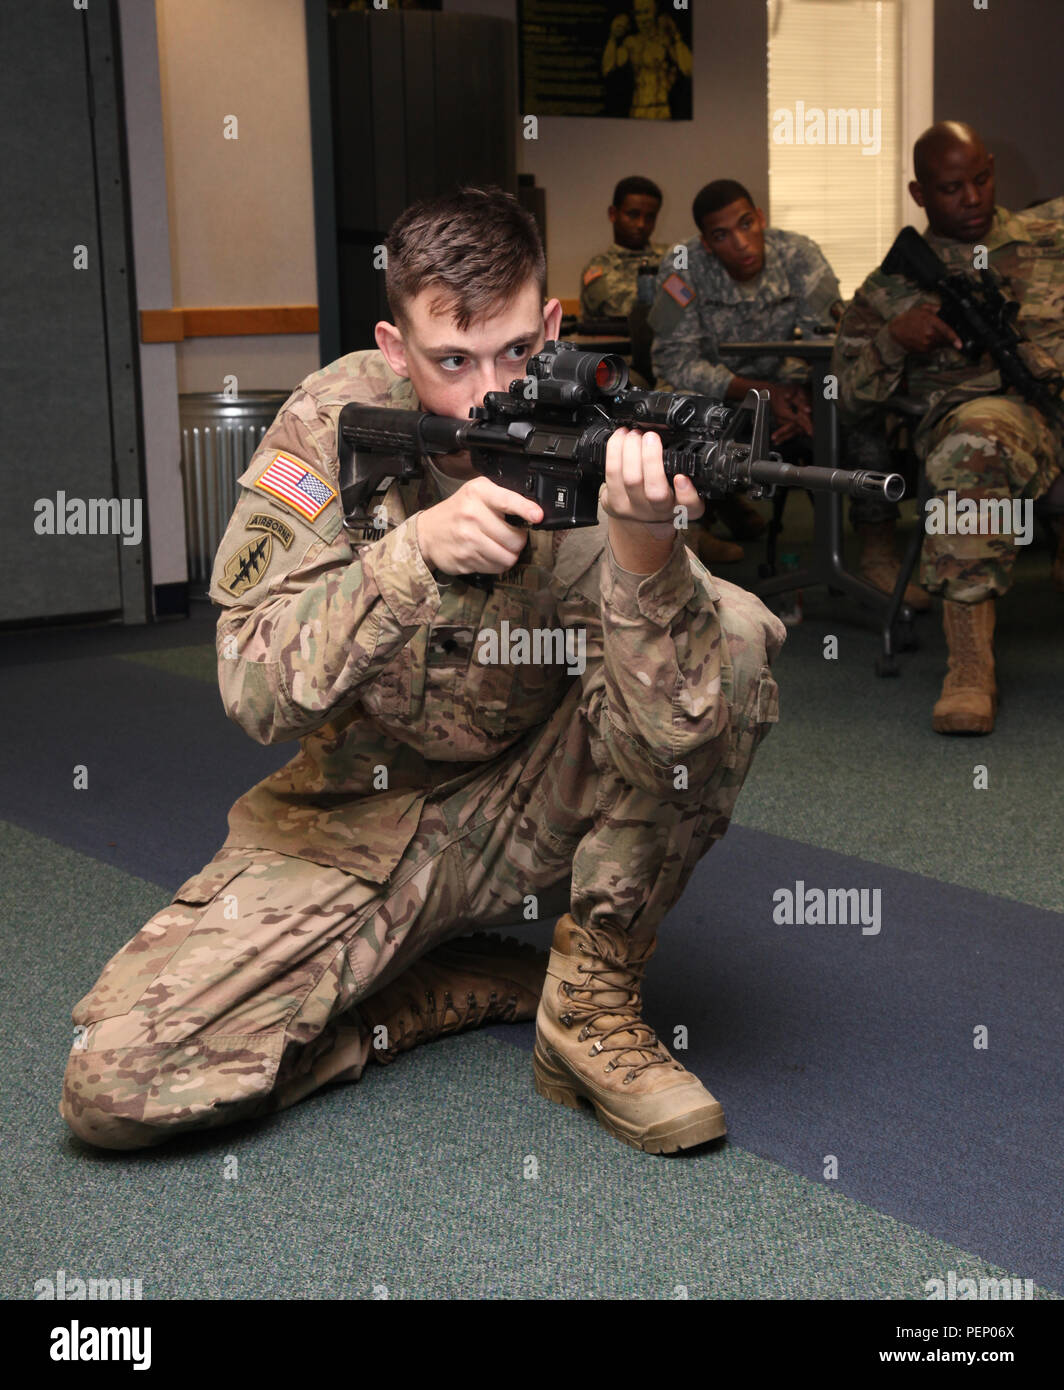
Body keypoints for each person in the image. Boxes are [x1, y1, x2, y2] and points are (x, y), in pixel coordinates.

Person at [60, 188, 786, 1156]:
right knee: (118, 1087)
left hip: (525, 803)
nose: (488, 390)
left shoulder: (599, 442)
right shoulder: (331, 420)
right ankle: (418, 996)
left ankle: (589, 1003)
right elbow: (252, 686)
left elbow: (685, 736)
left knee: (728, 634)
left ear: (553, 323)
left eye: (517, 351)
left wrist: (645, 555)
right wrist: (410, 554)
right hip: (348, 817)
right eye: (451, 360)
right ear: (395, 348)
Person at [833, 122, 1064, 734]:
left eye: (983, 179)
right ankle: (968, 669)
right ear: (919, 193)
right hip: (986, 424)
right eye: (952, 187)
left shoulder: (1051, 236)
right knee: (974, 445)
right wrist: (892, 339)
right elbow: (846, 401)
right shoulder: (891, 287)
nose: (973, 198)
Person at [649, 179, 859, 582]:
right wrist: (764, 394)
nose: (742, 243)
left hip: (786, 389)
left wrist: (799, 397)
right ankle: (688, 538)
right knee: (673, 414)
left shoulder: (799, 255)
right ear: (707, 243)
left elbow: (829, 342)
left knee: (848, 410)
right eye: (722, 235)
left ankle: (862, 551)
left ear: (761, 218)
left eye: (747, 224)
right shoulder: (682, 267)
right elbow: (674, 361)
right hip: (715, 393)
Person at [579, 175, 667, 321]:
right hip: (621, 342)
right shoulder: (598, 268)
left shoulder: (671, 257)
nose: (641, 224)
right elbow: (621, 311)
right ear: (613, 214)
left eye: (650, 217)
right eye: (633, 215)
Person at [601, 0, 692, 121]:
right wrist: (613, 37)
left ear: (655, 13)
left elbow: (688, 70)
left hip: (661, 110)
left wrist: (676, 35)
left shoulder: (665, 41)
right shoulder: (631, 43)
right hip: (637, 109)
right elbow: (607, 69)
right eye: (638, 13)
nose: (643, 19)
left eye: (646, 12)